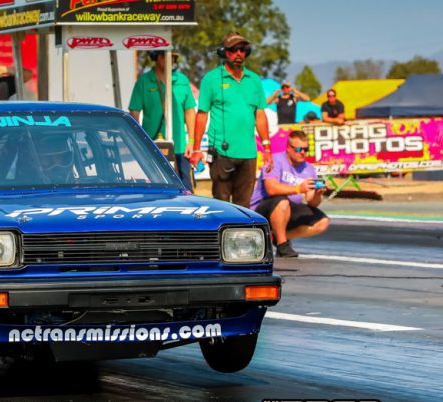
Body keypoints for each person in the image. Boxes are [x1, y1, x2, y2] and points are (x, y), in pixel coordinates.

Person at [190, 32, 272, 208]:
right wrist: (196, 148)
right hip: (221, 152)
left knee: (244, 206)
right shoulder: (211, 79)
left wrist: (267, 148)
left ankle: (242, 237)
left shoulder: (254, 80)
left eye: (242, 49)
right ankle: (220, 236)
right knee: (221, 205)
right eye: (233, 50)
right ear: (224, 52)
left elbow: (260, 115)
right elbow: (201, 115)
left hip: (249, 154)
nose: (239, 53)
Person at [250, 130, 330, 257]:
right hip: (261, 209)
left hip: (287, 210)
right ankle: (282, 245)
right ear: (288, 148)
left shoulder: (309, 169)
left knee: (322, 221)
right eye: (298, 149)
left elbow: (311, 202)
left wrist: (317, 194)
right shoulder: (274, 161)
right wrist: (298, 189)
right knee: (282, 201)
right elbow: (271, 189)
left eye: (305, 149)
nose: (302, 152)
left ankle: (276, 238)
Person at [128, 50, 197, 191]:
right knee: (158, 189)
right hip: (153, 147)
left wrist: (191, 142)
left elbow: (190, 111)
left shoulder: (182, 80)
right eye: (167, 56)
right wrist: (140, 143)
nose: (171, 60)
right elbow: (134, 112)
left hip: (181, 148)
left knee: (186, 189)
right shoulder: (144, 81)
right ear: (157, 57)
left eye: (174, 58)